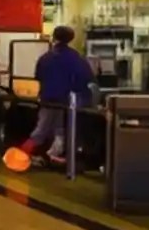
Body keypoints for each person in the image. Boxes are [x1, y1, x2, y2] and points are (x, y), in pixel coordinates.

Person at [8, 26, 93, 168]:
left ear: (54, 37)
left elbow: (39, 76)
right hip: (66, 101)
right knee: (54, 130)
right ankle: (22, 157)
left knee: (45, 128)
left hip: (47, 99)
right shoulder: (76, 58)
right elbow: (86, 78)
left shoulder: (45, 57)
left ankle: (47, 156)